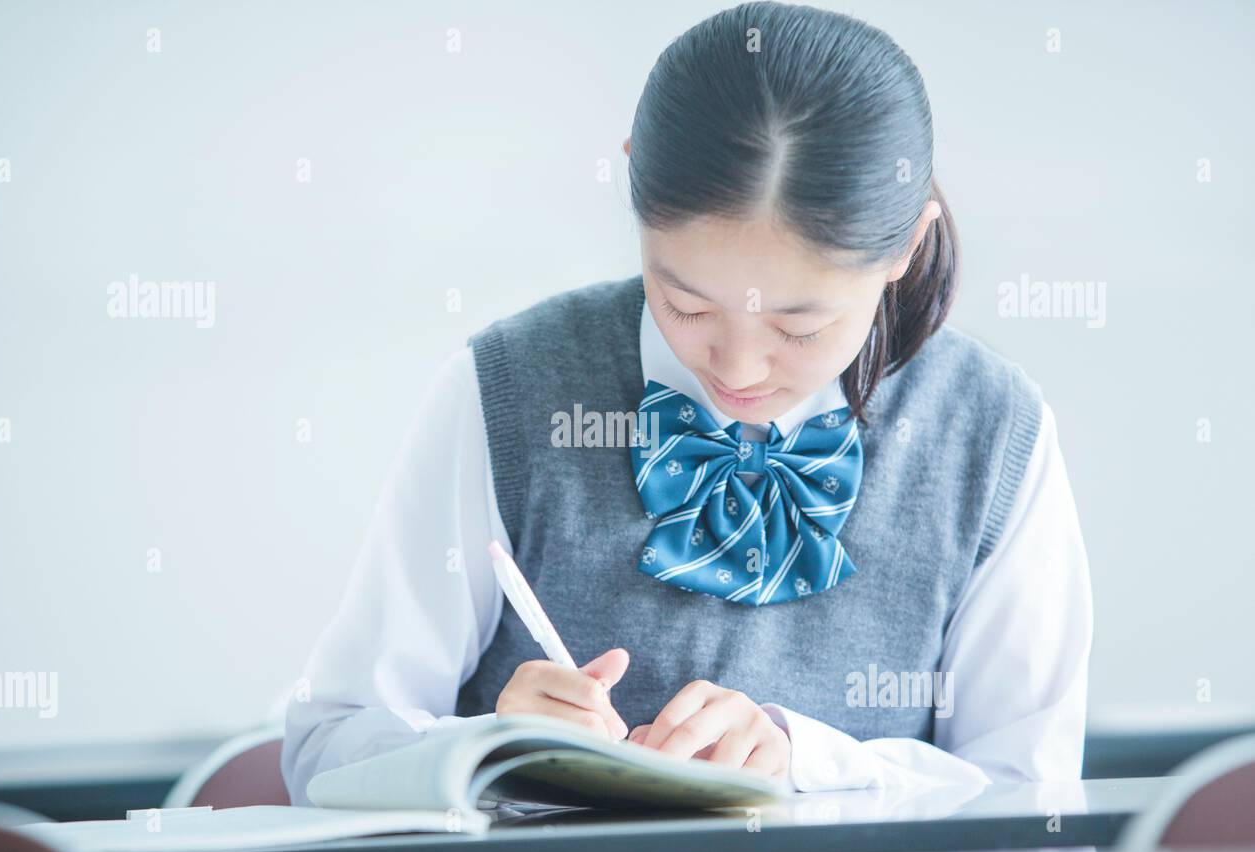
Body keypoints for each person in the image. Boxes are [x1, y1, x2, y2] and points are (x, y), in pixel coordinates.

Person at [282, 1, 1093, 805]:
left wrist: (800, 758)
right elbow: (327, 748)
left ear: (907, 247)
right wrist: (489, 748)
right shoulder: (505, 391)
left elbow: (1029, 795)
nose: (737, 367)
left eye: (799, 325)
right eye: (688, 305)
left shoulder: (990, 432)